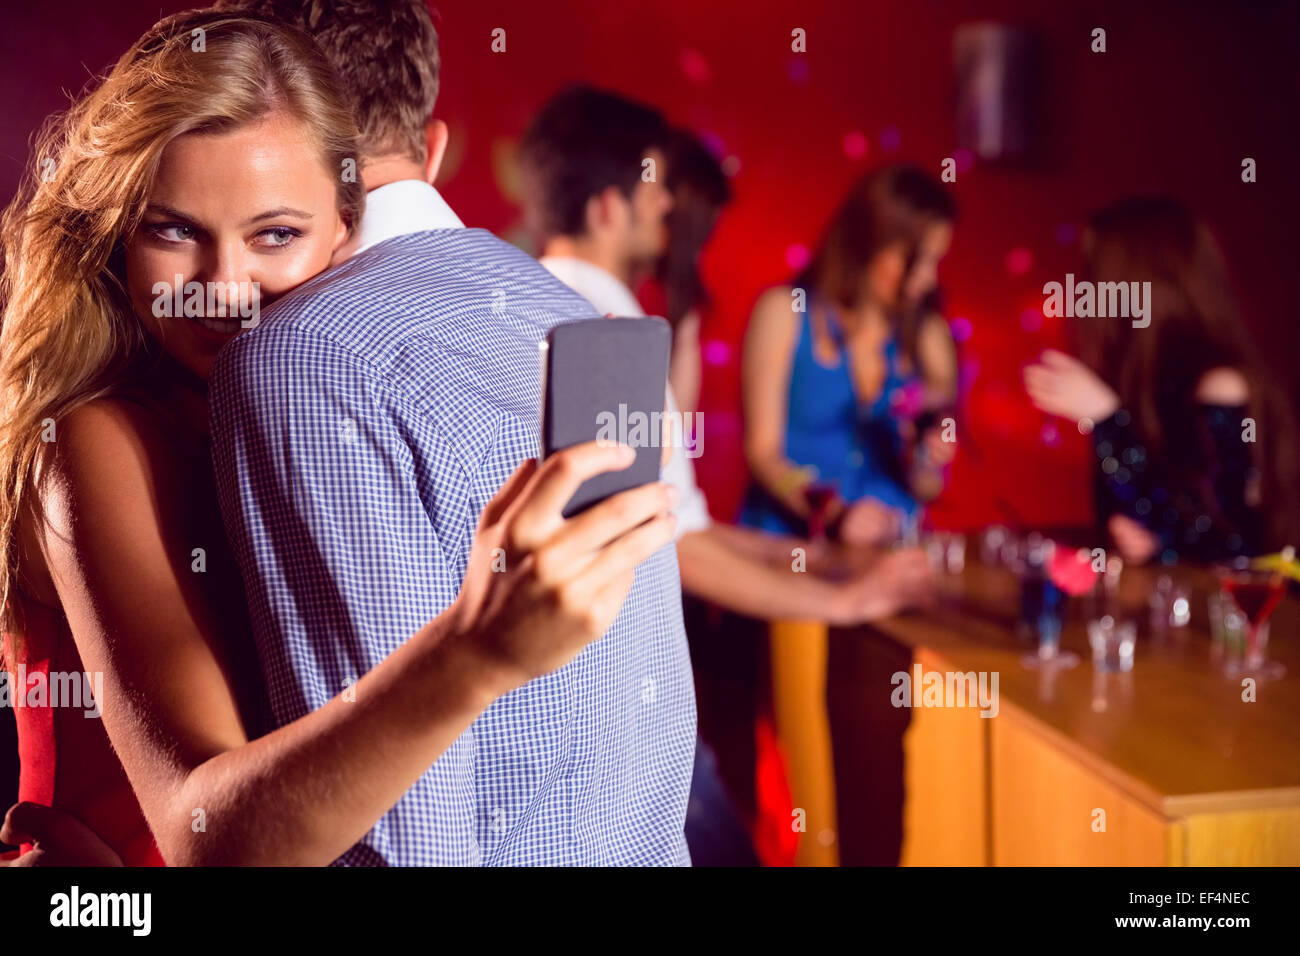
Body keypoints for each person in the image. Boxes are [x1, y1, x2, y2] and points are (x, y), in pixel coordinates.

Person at [0, 6, 685, 867]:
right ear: (116, 234)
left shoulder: (316, 400)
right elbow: (201, 832)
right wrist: (474, 653)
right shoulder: (102, 434)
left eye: (274, 235)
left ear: (346, 229)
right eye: (172, 230)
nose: (224, 284)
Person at [518, 88, 932, 628]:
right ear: (607, 210)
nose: (667, 205)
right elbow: (675, 547)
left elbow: (684, 524)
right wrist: (845, 603)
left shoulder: (540, 306)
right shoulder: (608, 339)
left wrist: (821, 560)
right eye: (655, 191)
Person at [1024, 196, 1300, 563]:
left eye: (1093, 274)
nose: (1081, 293)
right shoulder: (1146, 384)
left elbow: (1229, 543)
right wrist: (1150, 541)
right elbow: (1167, 518)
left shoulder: (1224, 384)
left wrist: (1107, 417)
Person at [739, 165, 958, 543]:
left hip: (890, 551)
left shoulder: (929, 336)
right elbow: (763, 455)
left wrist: (926, 456)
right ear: (872, 241)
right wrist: (832, 511)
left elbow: (928, 488)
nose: (929, 277)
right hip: (792, 549)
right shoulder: (785, 312)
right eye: (917, 260)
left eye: (935, 262)